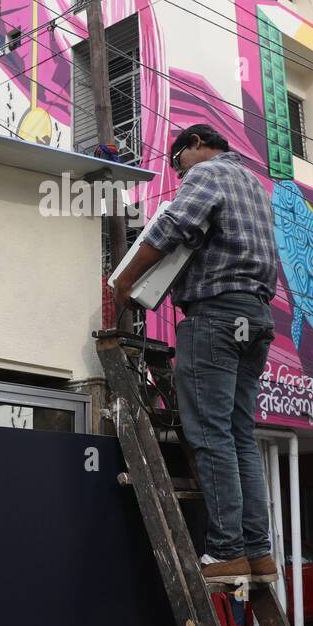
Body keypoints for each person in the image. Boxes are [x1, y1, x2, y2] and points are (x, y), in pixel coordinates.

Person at [112, 124, 280, 584]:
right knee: (239, 434)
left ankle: (226, 552)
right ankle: (257, 553)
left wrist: (125, 280)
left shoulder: (206, 173)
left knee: (210, 435)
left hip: (217, 314)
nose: (178, 170)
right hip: (256, 318)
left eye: (176, 160)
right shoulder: (254, 185)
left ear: (196, 145)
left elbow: (173, 225)